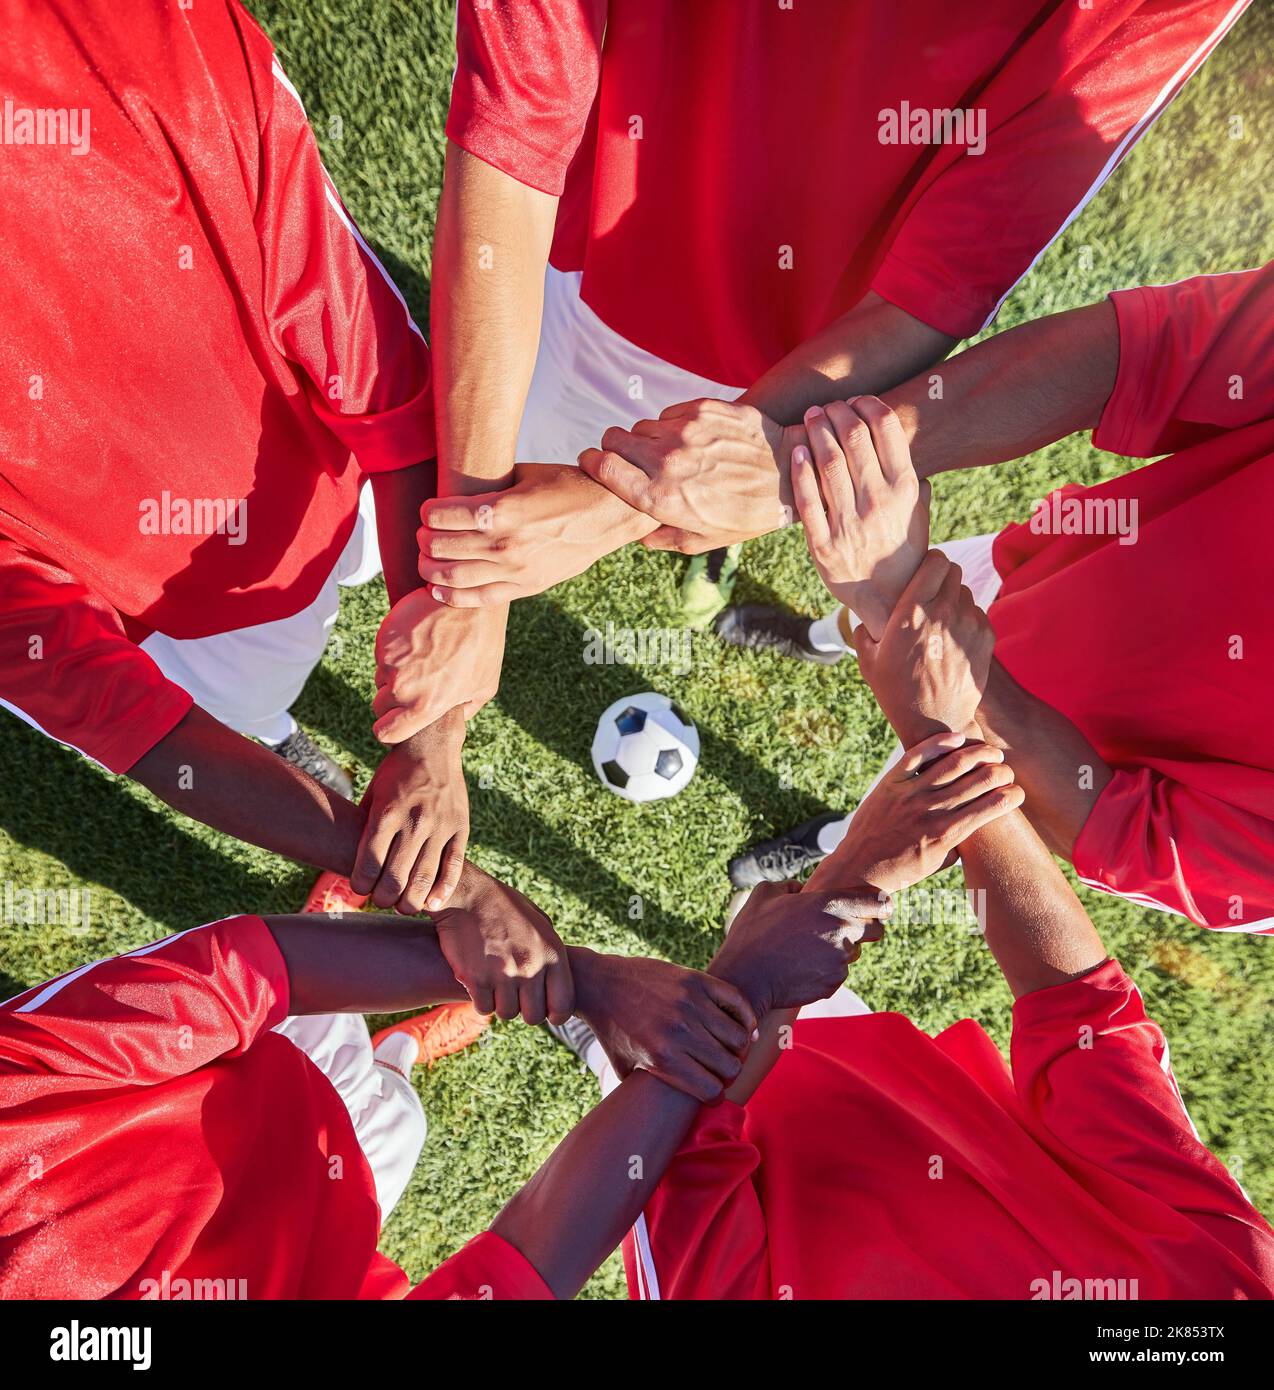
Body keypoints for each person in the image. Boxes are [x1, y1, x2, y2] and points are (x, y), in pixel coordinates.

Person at [374, 0, 1251, 745]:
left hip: (806, 365)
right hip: (588, 272)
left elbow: (945, 283)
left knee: (690, 484)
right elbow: (519, 120)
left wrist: (620, 509)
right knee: (532, 465)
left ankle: (704, 528)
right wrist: (473, 571)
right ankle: (701, 522)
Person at [579, 445, 1273, 1300]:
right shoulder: (1219, 1299)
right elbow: (1083, 1019)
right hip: (846, 1043)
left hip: (701, 1098)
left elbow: (668, 1175)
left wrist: (779, 957)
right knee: (759, 930)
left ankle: (597, 1029)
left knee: (645, 1031)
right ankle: (819, 653)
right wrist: (940, 748)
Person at [0, 0, 466, 919]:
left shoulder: (160, 38)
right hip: (180, 615)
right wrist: (379, 807)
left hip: (318, 512)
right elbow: (85, 685)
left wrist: (432, 733)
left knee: (257, 677)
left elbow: (386, 384)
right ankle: (285, 746)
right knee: (245, 710)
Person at [709, 263, 1274, 932]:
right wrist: (833, 461)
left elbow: (1127, 837)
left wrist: (951, 669)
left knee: (901, 808)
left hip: (1023, 746)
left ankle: (829, 840)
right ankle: (817, 638)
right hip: (1041, 563)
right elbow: (1154, 350)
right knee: (874, 595)